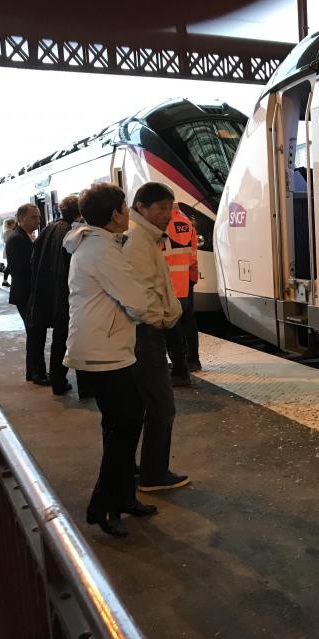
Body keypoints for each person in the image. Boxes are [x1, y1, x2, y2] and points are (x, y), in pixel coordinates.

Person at [63, 182, 153, 537]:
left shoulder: (93, 245)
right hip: (106, 353)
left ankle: (122, 498)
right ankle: (102, 506)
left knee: (119, 426)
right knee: (126, 425)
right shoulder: (102, 250)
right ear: (115, 215)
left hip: (102, 348)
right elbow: (138, 302)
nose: (129, 211)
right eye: (125, 206)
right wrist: (138, 310)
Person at [125, 182, 188, 492]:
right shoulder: (137, 239)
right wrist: (160, 319)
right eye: (161, 208)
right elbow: (143, 289)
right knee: (162, 406)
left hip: (146, 331)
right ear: (141, 207)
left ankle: (141, 469)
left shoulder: (146, 236)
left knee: (145, 405)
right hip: (145, 333)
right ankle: (153, 474)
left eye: (170, 208)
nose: (167, 215)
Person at [29, 195, 79, 395]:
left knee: (60, 337)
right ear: (79, 212)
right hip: (64, 293)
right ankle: (59, 381)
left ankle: (56, 378)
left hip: (47, 290)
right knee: (64, 337)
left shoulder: (48, 229)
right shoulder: (73, 233)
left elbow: (34, 259)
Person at [5, 204, 48, 385]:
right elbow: (20, 268)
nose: (38, 221)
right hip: (25, 294)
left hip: (26, 293)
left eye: (38, 217)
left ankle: (33, 372)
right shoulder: (16, 239)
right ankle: (38, 373)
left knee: (34, 332)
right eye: (34, 217)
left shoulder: (22, 236)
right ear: (21, 218)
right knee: (36, 332)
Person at [164, 205, 201, 384]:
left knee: (173, 325)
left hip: (170, 280)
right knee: (189, 321)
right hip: (187, 277)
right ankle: (193, 359)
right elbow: (193, 255)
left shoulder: (163, 223)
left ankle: (179, 366)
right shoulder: (186, 222)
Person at [1, 218, 16, 287]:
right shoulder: (9, 231)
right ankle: (5, 281)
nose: (15, 225)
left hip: (8, 250)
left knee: (10, 266)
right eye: (14, 224)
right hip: (11, 251)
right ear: (11, 224)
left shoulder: (6, 231)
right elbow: (12, 241)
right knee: (10, 266)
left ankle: (6, 280)